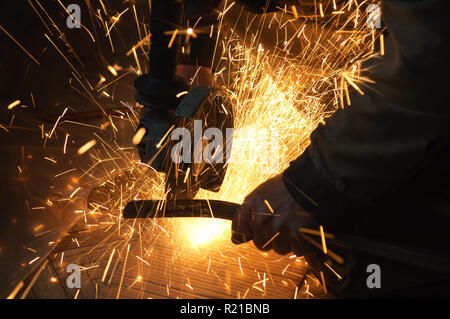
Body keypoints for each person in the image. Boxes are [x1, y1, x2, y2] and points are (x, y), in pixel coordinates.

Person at [178, 0, 450, 297]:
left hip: (419, 81)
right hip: (378, 41)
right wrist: (193, 62)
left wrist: (313, 182)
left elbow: (430, 55)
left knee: (373, 249)